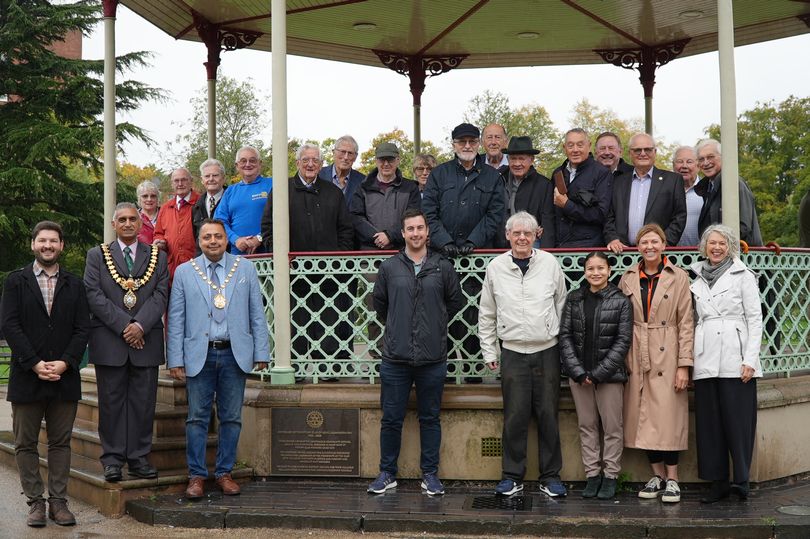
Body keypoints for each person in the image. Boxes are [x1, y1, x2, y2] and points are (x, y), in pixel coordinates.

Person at [167, 218, 269, 500]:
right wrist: (175, 359)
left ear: (226, 240)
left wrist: (261, 351)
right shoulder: (185, 272)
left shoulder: (245, 268)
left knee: (232, 417)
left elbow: (257, 313)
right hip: (199, 354)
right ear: (199, 241)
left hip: (234, 354)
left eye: (218, 236)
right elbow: (176, 318)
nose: (213, 241)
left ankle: (225, 473)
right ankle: (197, 476)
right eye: (207, 237)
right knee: (196, 418)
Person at [0, 221, 90, 527]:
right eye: (42, 240)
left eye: (53, 240)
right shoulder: (16, 281)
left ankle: (58, 502)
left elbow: (83, 329)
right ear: (33, 244)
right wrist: (34, 363)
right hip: (27, 375)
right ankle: (35, 502)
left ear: (61, 245)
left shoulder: (75, 284)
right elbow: (9, 324)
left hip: (65, 377)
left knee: (60, 443)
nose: (47, 245)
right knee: (25, 443)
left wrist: (66, 362)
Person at [367, 209, 462, 496]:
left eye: (420, 228)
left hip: (432, 357)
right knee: (391, 419)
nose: (416, 233)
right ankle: (387, 473)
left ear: (427, 231)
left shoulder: (442, 266)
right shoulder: (389, 267)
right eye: (410, 229)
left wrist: (433, 325)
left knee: (430, 418)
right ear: (403, 233)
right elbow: (380, 304)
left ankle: (430, 474)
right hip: (395, 357)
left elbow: (453, 302)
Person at [479, 211, 568, 498]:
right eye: (516, 233)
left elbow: (562, 303)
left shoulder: (549, 263)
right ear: (507, 235)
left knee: (548, 415)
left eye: (527, 233)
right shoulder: (496, 267)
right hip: (513, 351)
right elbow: (487, 312)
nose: (521, 238)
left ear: (535, 235)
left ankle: (550, 476)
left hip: (546, 349)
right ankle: (511, 476)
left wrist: (559, 341)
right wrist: (489, 350)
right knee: (514, 416)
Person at [84, 202, 169, 483]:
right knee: (111, 404)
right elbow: (93, 294)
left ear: (140, 223)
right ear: (113, 224)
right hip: (110, 340)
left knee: (143, 404)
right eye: (122, 220)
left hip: (147, 339)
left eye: (133, 219)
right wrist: (125, 326)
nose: (128, 224)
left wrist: (140, 325)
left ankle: (139, 458)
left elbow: (160, 294)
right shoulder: (97, 255)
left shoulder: (157, 256)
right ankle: (112, 460)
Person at [619, 223, 694, 504]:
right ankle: (657, 475)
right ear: (638, 247)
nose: (649, 247)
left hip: (668, 349)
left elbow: (686, 322)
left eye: (654, 242)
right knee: (643, 414)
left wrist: (684, 364)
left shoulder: (679, 276)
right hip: (637, 348)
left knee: (668, 414)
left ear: (663, 245)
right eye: (644, 242)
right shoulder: (627, 277)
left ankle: (673, 478)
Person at [261, 143, 354, 366]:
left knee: (329, 321)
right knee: (297, 322)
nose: (310, 164)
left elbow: (346, 230)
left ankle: (328, 366)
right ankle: (297, 366)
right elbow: (268, 227)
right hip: (294, 273)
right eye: (305, 160)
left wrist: (337, 256)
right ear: (297, 163)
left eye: (315, 160)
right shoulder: (281, 191)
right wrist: (279, 256)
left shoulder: (333, 192)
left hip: (329, 274)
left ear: (321, 164)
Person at [422, 123, 505, 374]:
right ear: (453, 144)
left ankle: (472, 369)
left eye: (471, 141)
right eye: (461, 142)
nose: (467, 146)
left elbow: (495, 214)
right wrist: (444, 241)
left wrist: (473, 242)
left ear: (478, 144)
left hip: (476, 259)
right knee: (440, 311)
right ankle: (444, 369)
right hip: (442, 256)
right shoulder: (439, 174)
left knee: (474, 312)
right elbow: (429, 212)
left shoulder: (492, 177)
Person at [690, 224, 762, 503]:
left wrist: (750, 359)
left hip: (736, 355)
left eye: (722, 243)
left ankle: (741, 480)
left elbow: (755, 319)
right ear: (704, 247)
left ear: (730, 247)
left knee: (738, 421)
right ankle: (717, 481)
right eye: (712, 243)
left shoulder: (743, 275)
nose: (717, 248)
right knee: (710, 424)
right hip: (706, 355)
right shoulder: (696, 276)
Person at [559, 252, 632, 500]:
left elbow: (623, 341)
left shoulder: (621, 301)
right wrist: (578, 372)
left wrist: (599, 373)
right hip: (579, 376)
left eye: (601, 268)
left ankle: (610, 476)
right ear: (585, 272)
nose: (596, 273)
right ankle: (592, 475)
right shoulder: (574, 298)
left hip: (609, 376)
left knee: (612, 427)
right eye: (590, 268)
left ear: (609, 271)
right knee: (587, 425)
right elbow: (565, 336)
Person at [604, 133, 687, 253]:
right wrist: (612, 239)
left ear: (655, 152)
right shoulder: (618, 181)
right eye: (637, 150)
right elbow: (609, 216)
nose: (642, 153)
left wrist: (663, 243)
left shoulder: (673, 180)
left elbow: (679, 217)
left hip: (658, 253)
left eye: (647, 149)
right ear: (630, 153)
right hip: (622, 254)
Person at [350, 142, 421, 250]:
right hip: (369, 252)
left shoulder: (411, 188)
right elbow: (356, 218)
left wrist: (390, 236)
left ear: (398, 160)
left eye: (390, 159)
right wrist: (378, 238)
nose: (386, 164)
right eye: (382, 159)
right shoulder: (363, 188)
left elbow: (413, 218)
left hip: (402, 251)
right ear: (376, 161)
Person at [551, 128, 612, 247]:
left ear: (589, 146)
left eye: (580, 145)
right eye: (570, 145)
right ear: (564, 148)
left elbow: (600, 214)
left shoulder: (601, 173)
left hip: (588, 247)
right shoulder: (558, 173)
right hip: (560, 245)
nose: (575, 150)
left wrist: (567, 205)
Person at [695, 139, 763, 246]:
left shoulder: (733, 183)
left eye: (710, 157)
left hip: (739, 253)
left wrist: (719, 246)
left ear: (723, 157)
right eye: (701, 159)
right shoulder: (708, 187)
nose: (706, 163)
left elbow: (743, 226)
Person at [496, 136, 556, 248]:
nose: (517, 163)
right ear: (508, 159)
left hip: (531, 243)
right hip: (501, 242)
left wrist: (546, 251)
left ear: (531, 160)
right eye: (513, 159)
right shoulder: (499, 179)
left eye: (522, 159)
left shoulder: (544, 185)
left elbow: (548, 220)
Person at [214, 146, 273, 255]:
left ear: (260, 163)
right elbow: (219, 220)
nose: (248, 164)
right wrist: (235, 239)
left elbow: (283, 217)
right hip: (237, 254)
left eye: (252, 160)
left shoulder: (272, 184)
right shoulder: (230, 191)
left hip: (268, 253)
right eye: (243, 161)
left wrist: (259, 238)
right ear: (237, 166)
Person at [153, 168, 199, 278]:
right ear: (172, 183)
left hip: (197, 266)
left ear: (191, 181)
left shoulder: (200, 203)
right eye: (176, 181)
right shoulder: (165, 208)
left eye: (184, 180)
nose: (180, 184)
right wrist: (160, 241)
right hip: (172, 269)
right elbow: (158, 233)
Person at [192, 158, 227, 254]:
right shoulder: (196, 206)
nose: (211, 179)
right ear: (202, 180)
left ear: (223, 178)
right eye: (207, 176)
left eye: (215, 175)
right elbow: (197, 237)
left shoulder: (232, 200)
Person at [319, 135, 365, 206]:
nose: (346, 157)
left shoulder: (362, 181)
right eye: (343, 152)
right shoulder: (318, 175)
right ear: (333, 152)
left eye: (350, 153)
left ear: (355, 157)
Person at [673, 146, 703, 247]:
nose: (684, 166)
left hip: (701, 252)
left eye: (689, 162)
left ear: (698, 166)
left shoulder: (707, 189)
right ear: (673, 165)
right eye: (680, 161)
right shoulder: (665, 190)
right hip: (670, 252)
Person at [136, 180, 160, 245]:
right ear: (139, 198)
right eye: (145, 196)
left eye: (153, 196)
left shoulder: (166, 215)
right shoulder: (133, 218)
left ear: (157, 198)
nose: (149, 199)